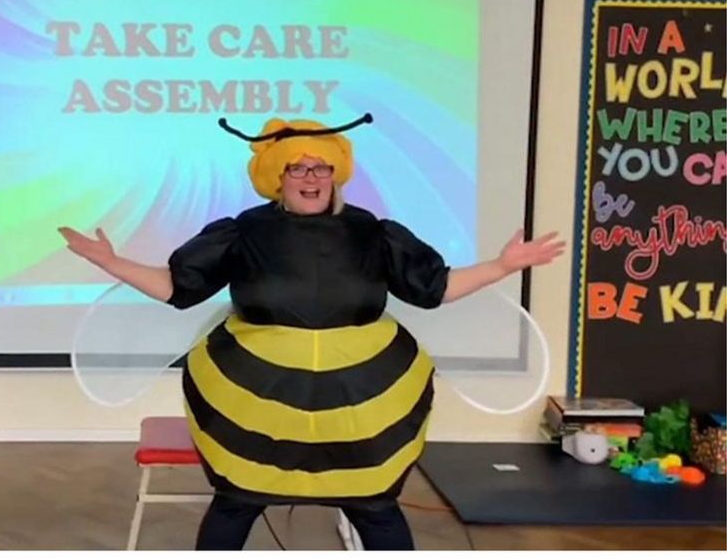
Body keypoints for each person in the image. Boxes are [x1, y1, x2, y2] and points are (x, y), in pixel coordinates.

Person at [58, 115, 564, 550]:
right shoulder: (244, 230)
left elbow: (436, 287)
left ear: (335, 175)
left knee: (374, 504)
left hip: (359, 402)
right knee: (237, 501)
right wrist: (113, 262)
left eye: (320, 166)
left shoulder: (372, 231)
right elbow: (177, 285)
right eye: (297, 167)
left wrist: (501, 266)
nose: (310, 176)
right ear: (277, 178)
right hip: (260, 399)